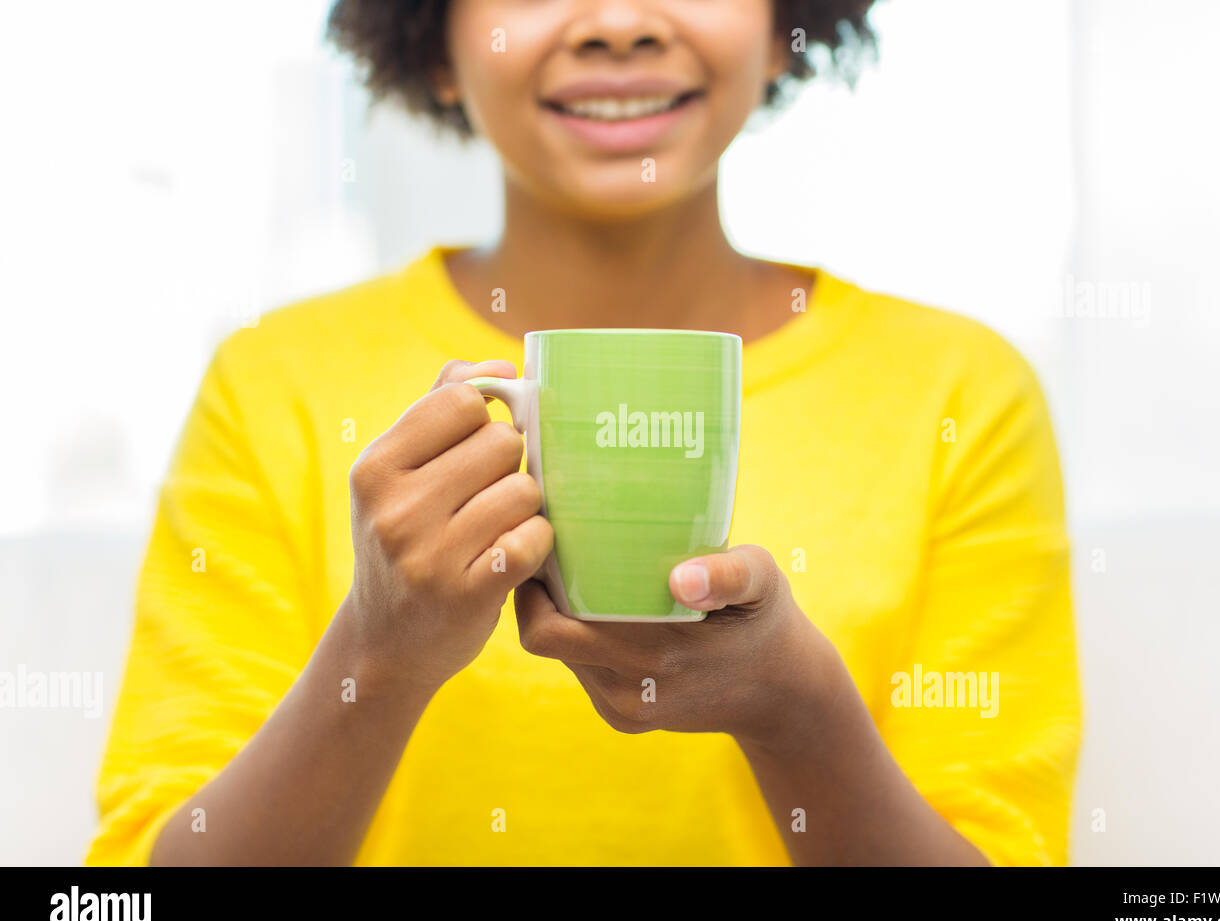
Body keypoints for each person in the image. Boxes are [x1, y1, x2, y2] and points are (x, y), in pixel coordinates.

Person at [87, 0, 1081, 866]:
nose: (619, 20)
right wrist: (379, 656)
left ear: (785, 24)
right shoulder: (274, 384)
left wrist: (801, 716)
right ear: (432, 36)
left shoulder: (961, 391)